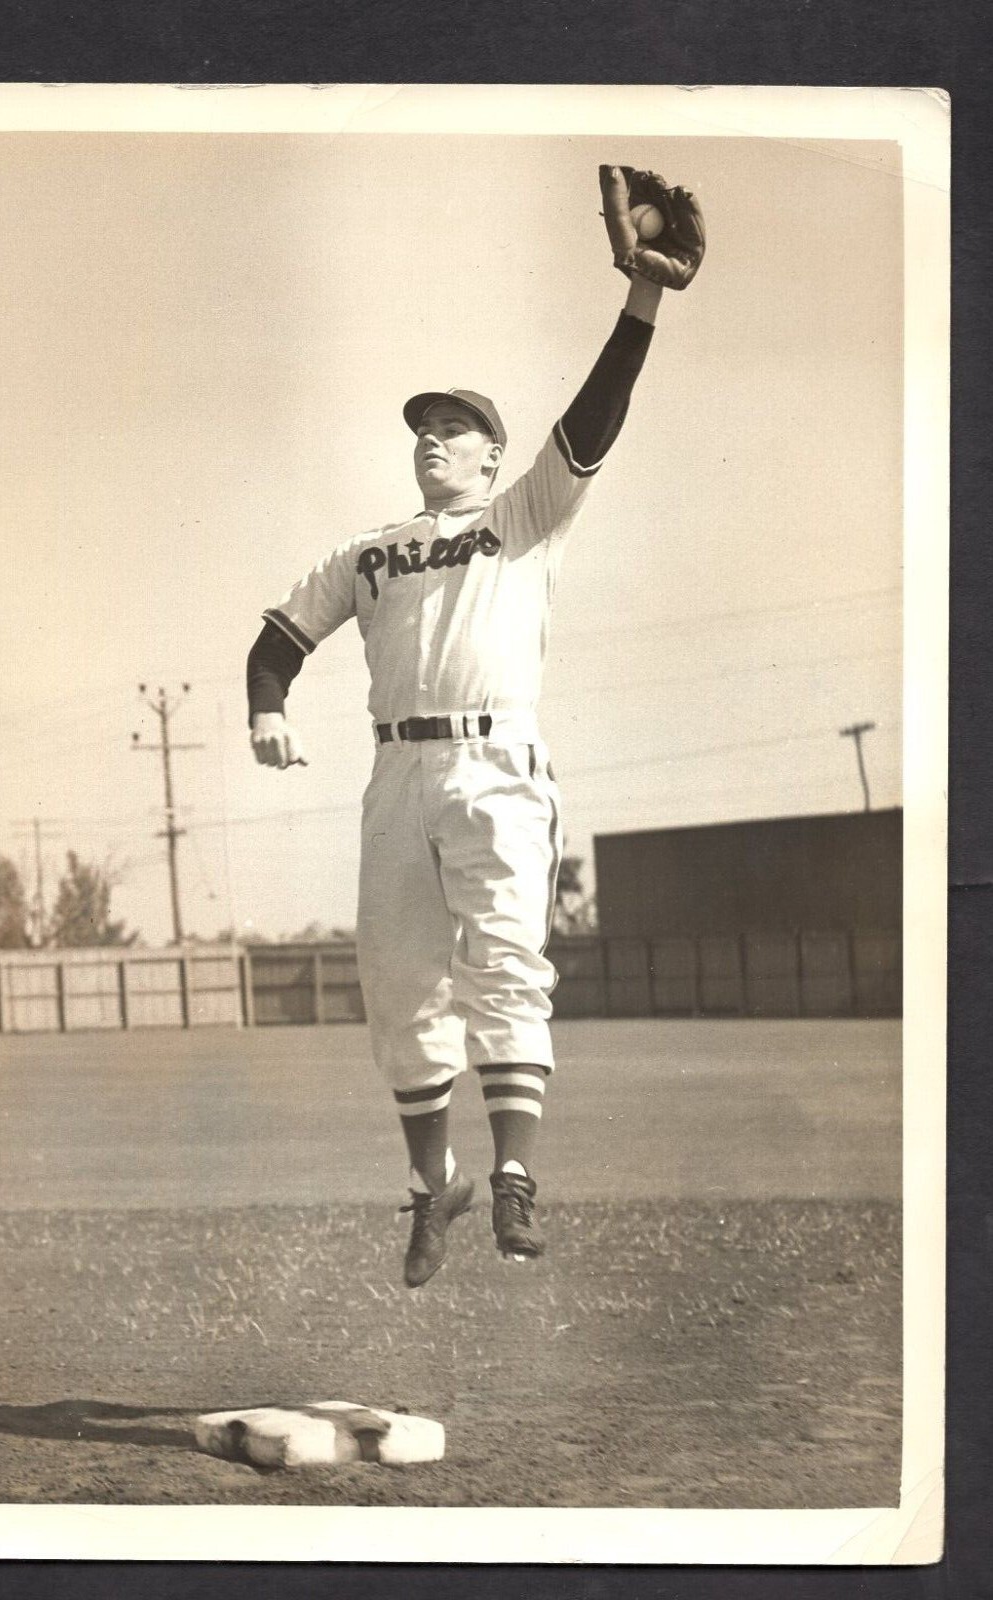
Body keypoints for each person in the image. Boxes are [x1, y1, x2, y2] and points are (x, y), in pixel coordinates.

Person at [246, 167, 705, 1287]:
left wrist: (640, 301)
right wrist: (265, 705)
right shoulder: (367, 548)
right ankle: (429, 1186)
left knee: (503, 966)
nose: (431, 443)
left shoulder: (523, 518)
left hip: (497, 761)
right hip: (396, 775)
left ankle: (512, 1180)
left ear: (493, 458)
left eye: (452, 431)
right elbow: (279, 636)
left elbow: (591, 421)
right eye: (423, 431)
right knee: (400, 984)